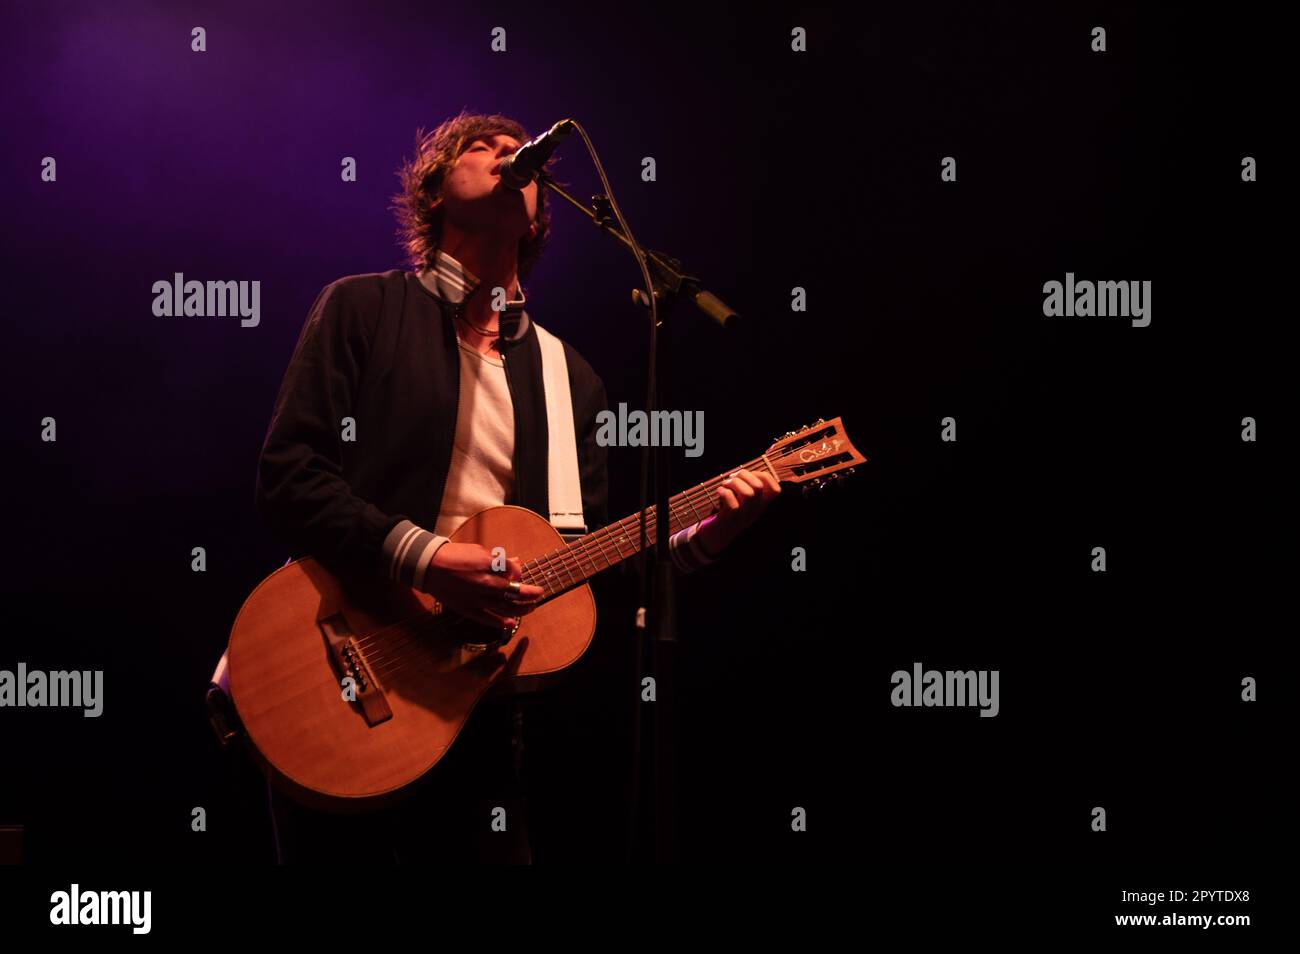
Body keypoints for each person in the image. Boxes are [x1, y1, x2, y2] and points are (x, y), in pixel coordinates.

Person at [254, 110, 779, 863]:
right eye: (482, 147)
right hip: (341, 671)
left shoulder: (573, 378)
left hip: (490, 722)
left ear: (539, 216)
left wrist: (704, 539)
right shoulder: (362, 309)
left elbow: (586, 559)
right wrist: (429, 559)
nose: (509, 155)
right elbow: (289, 477)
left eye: (517, 150)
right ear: (435, 194)